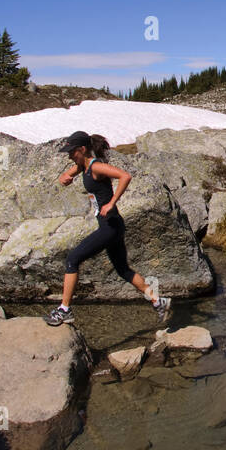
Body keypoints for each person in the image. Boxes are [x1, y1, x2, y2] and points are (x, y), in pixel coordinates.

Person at [44, 130, 172, 326]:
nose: (70, 155)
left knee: (72, 260)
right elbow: (74, 170)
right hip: (113, 225)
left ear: (83, 149)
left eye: (72, 152)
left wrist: (112, 202)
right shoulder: (84, 165)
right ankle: (158, 301)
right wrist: (66, 175)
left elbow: (125, 176)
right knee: (123, 270)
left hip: (109, 227)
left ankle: (64, 309)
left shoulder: (97, 167)